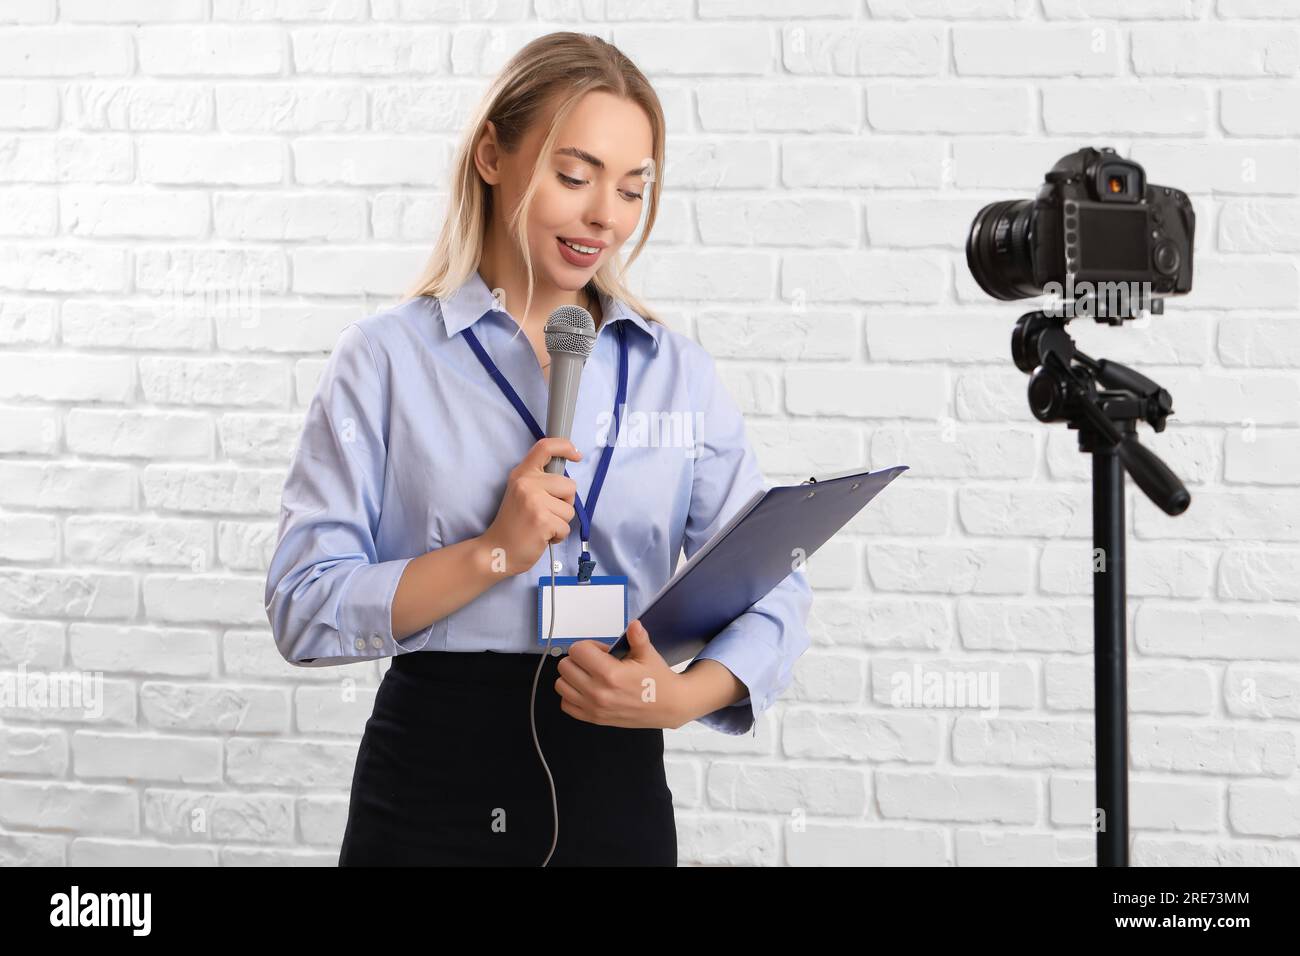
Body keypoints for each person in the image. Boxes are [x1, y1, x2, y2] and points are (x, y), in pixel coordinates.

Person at [263, 32, 813, 867]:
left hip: (614, 772)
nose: (606, 216)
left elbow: (772, 580)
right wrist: (489, 554)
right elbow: (304, 604)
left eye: (633, 189)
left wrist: (676, 696)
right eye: (574, 175)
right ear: (492, 155)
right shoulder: (384, 359)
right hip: (432, 783)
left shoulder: (675, 372)